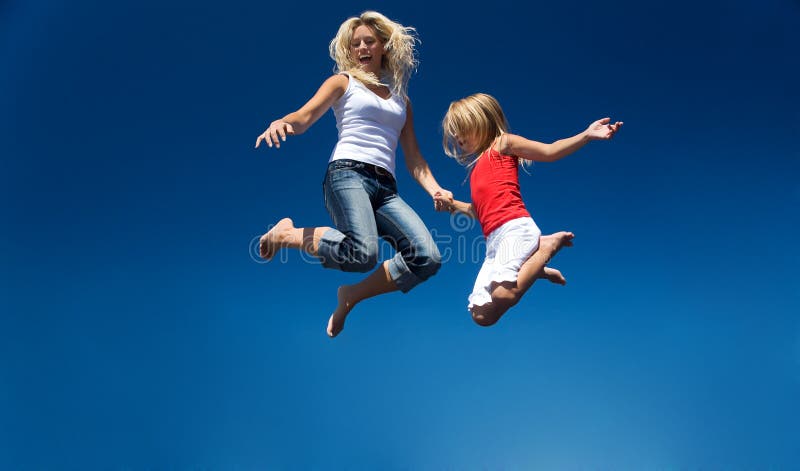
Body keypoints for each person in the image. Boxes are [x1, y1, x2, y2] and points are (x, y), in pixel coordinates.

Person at [254, 11, 453, 338]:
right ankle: (285, 234)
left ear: (383, 47)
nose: (362, 47)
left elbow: (414, 159)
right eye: (355, 43)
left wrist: (435, 189)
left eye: (369, 41)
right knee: (363, 253)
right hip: (347, 174)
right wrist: (282, 122)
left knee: (427, 257)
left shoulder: (402, 101)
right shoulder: (343, 82)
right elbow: (305, 117)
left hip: (386, 189)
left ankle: (351, 296)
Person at [435, 93, 622, 327]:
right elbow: (478, 211)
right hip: (494, 243)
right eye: (453, 131)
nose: (456, 136)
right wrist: (451, 205)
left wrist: (586, 135)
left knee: (503, 295)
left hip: (515, 228)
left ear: (481, 120)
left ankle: (546, 246)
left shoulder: (503, 144)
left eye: (460, 128)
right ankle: (537, 270)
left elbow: (550, 151)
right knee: (483, 315)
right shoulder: (474, 173)